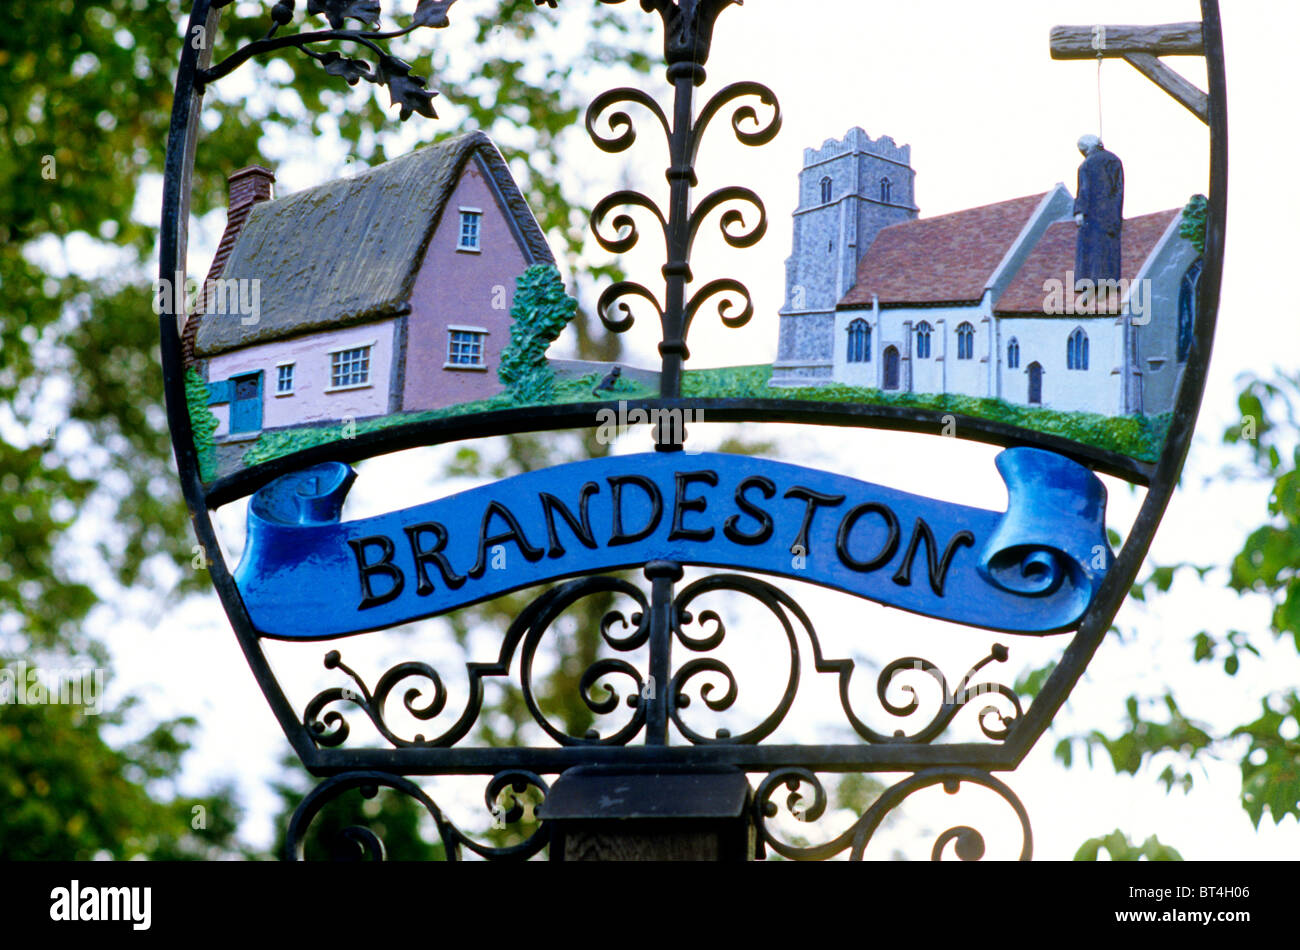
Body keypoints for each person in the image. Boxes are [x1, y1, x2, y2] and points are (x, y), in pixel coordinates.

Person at [1073, 134, 1124, 298]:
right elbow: (1119, 190)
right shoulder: (1115, 160)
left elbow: (1084, 190)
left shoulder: (1087, 165)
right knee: (1109, 248)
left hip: (1092, 215)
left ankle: (1091, 284)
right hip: (1111, 213)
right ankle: (1109, 283)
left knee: (1091, 250)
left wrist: (1079, 211)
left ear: (1086, 149)